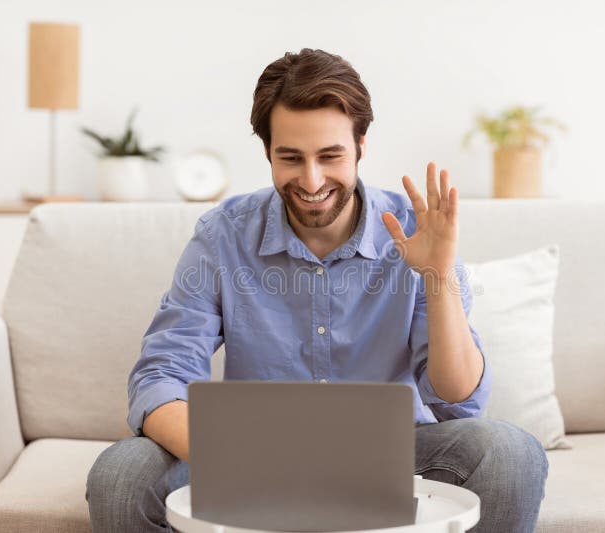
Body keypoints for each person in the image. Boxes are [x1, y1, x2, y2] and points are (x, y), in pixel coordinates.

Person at [86, 48, 548, 533]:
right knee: (121, 475)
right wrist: (230, 457)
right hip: (247, 451)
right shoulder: (223, 235)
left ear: (361, 147)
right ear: (267, 152)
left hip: (394, 455)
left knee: (510, 454)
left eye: (330, 156)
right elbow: (162, 373)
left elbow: (457, 401)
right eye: (291, 158)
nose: (311, 180)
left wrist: (438, 275)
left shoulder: (413, 230)